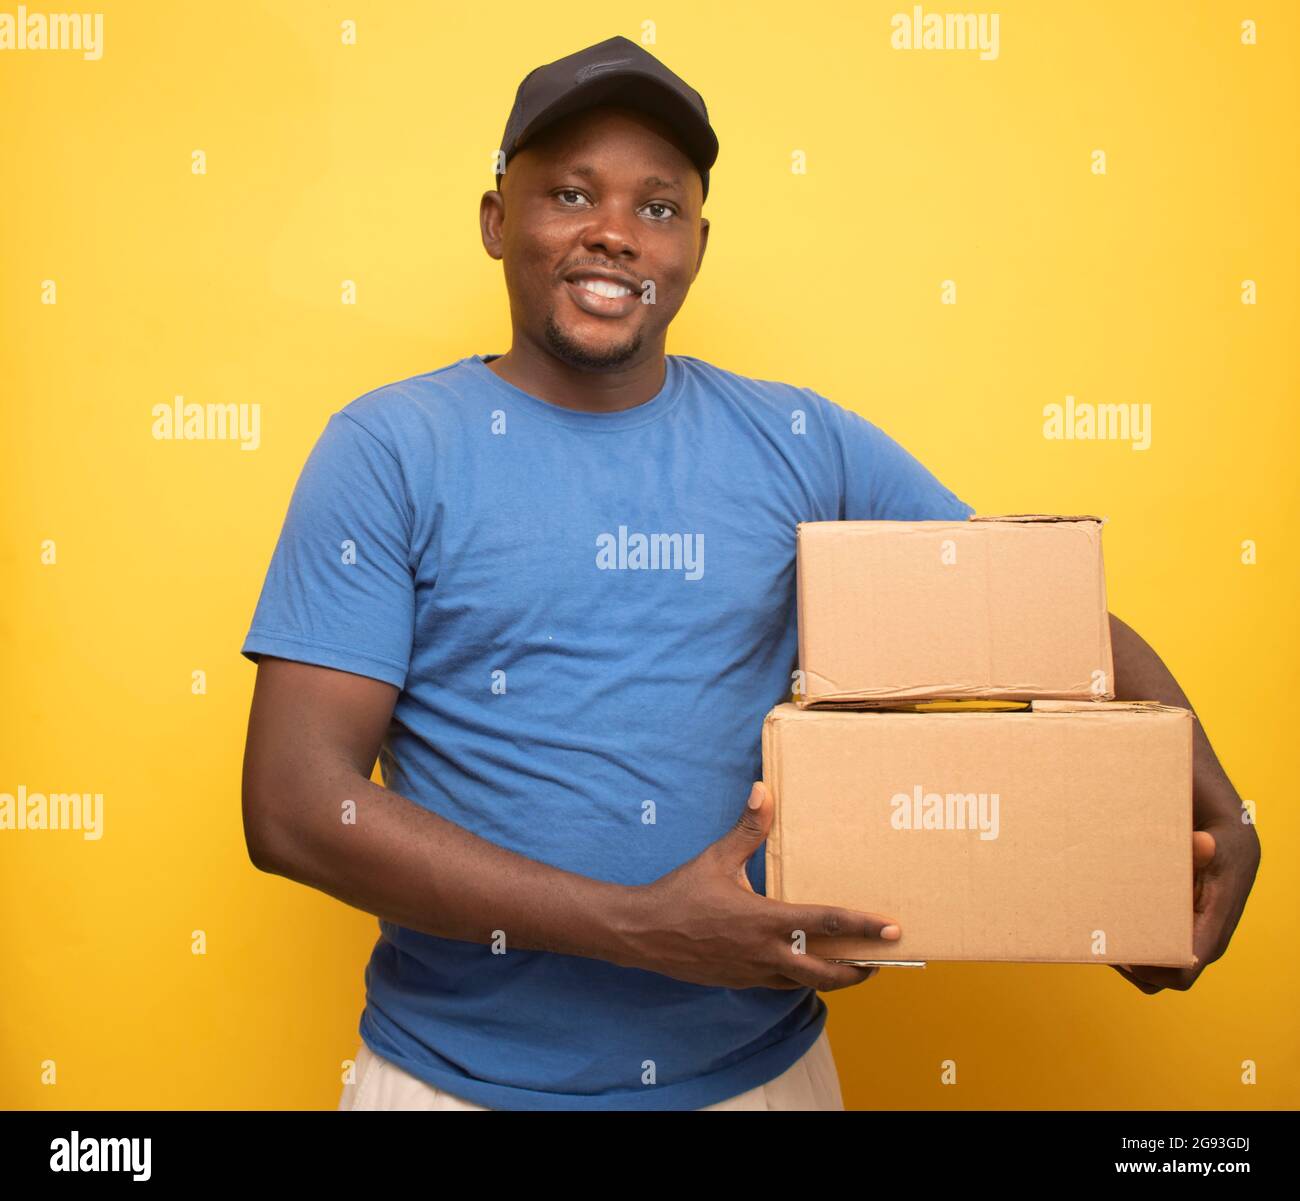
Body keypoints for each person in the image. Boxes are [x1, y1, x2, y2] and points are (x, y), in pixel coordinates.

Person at [239, 35, 1259, 1112]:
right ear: (498, 220)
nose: (613, 234)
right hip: (452, 1084)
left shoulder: (800, 443)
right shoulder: (389, 449)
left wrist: (1206, 818)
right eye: (570, 193)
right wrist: (639, 927)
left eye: (658, 208)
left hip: (760, 1081)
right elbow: (297, 806)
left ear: (696, 246)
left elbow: (1040, 615)